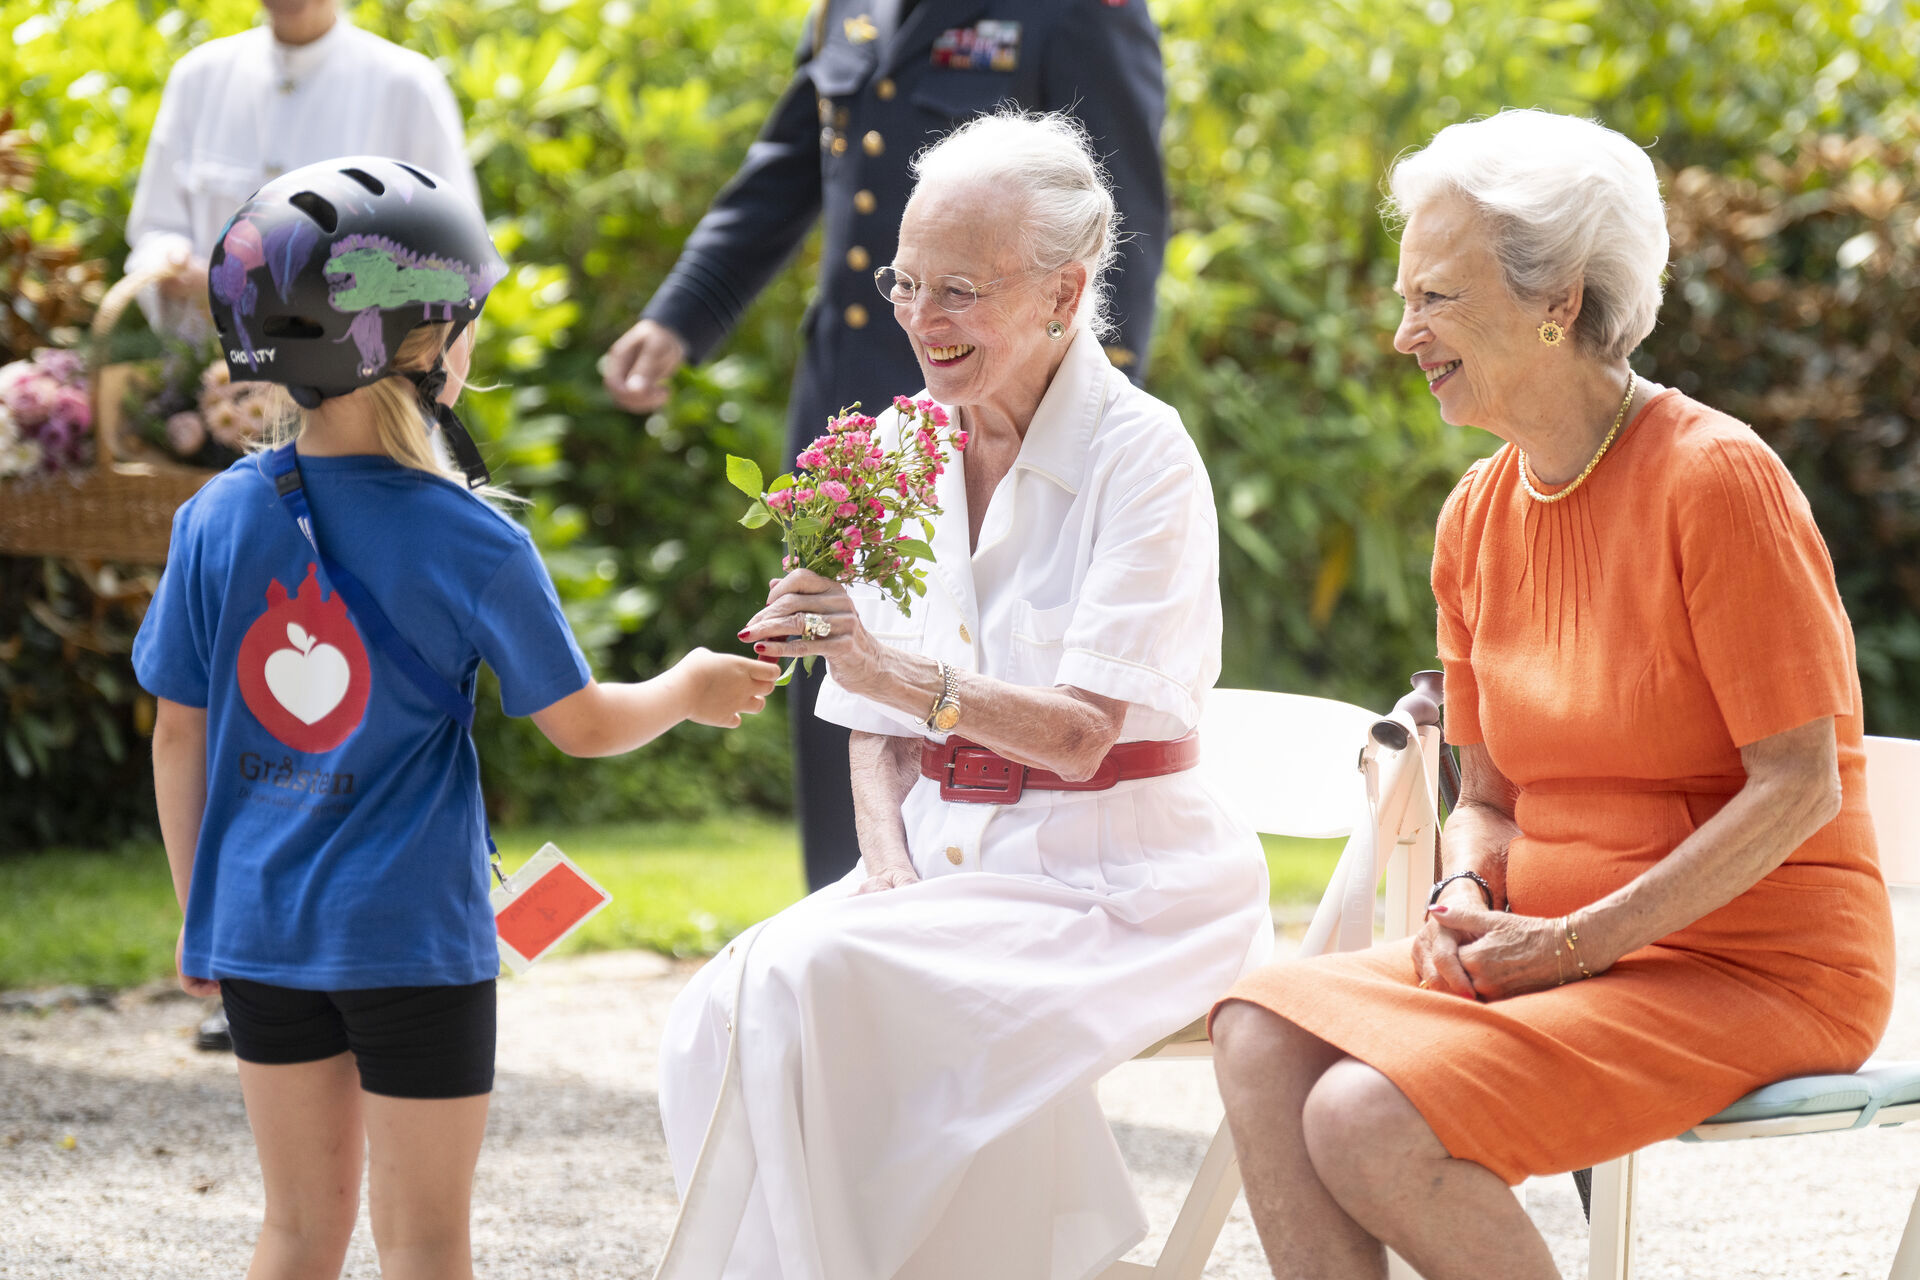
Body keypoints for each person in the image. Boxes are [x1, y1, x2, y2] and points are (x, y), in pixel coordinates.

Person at [1209, 109, 1897, 1280]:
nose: (1399, 331)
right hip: (1556, 945)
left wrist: (1570, 943)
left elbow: (1797, 786)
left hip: (1753, 960)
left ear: (1560, 301)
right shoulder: (1475, 515)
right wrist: (1471, 886)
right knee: (1259, 1027)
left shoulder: (1717, 480)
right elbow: (1488, 794)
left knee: (1367, 1118)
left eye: (1433, 296)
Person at [132, 157, 777, 1280]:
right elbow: (579, 723)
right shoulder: (473, 537)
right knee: (425, 1243)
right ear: (423, 351)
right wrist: (687, 686)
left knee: (293, 1231)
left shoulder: (215, 518)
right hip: (415, 943)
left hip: (262, 937)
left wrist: (206, 918)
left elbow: (177, 734)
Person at [653, 111, 1267, 1280]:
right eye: (907, 283)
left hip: (1118, 877)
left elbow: (1085, 735)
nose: (922, 322)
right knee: (721, 1011)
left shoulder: (1143, 456)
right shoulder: (898, 445)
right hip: (944, 862)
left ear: (1063, 292)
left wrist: (884, 668)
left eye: (961, 291)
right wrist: (886, 866)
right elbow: (872, 733)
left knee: (822, 985)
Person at [604, 0, 1170, 890]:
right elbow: (790, 165)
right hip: (857, 403)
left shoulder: (1071, 11)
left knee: (1002, 652)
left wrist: (1076, 420)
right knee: (841, 656)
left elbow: (1120, 217)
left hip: (1013, 387)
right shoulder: (852, 6)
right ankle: (858, 892)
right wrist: (682, 315)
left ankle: (989, 889)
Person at [126, 0, 476, 345]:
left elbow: (454, 259)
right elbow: (155, 228)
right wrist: (175, 264)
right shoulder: (198, 78)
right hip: (208, 377)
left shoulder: (407, 86)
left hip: (352, 383)